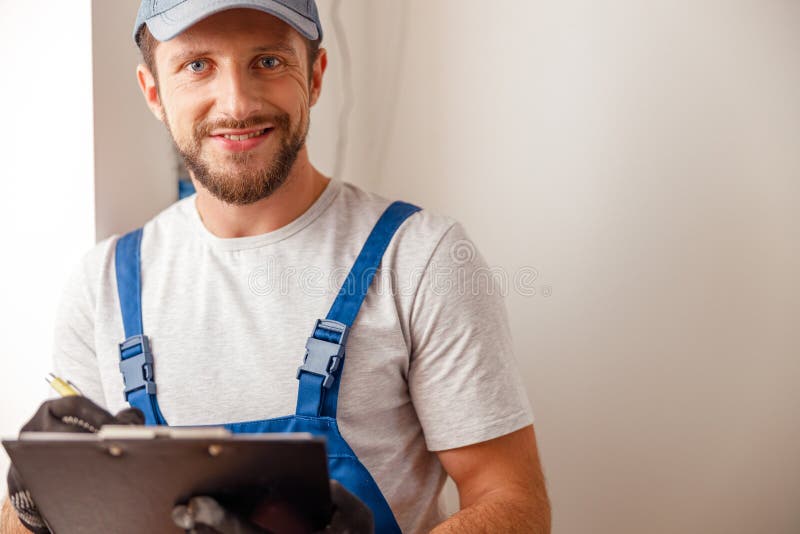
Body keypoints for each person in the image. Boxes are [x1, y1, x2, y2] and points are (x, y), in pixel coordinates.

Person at [1, 1, 551, 532]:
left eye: (268, 61)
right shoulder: (103, 285)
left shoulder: (421, 257)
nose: (236, 103)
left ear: (314, 76)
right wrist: (33, 509)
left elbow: (515, 503)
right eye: (198, 66)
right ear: (154, 91)